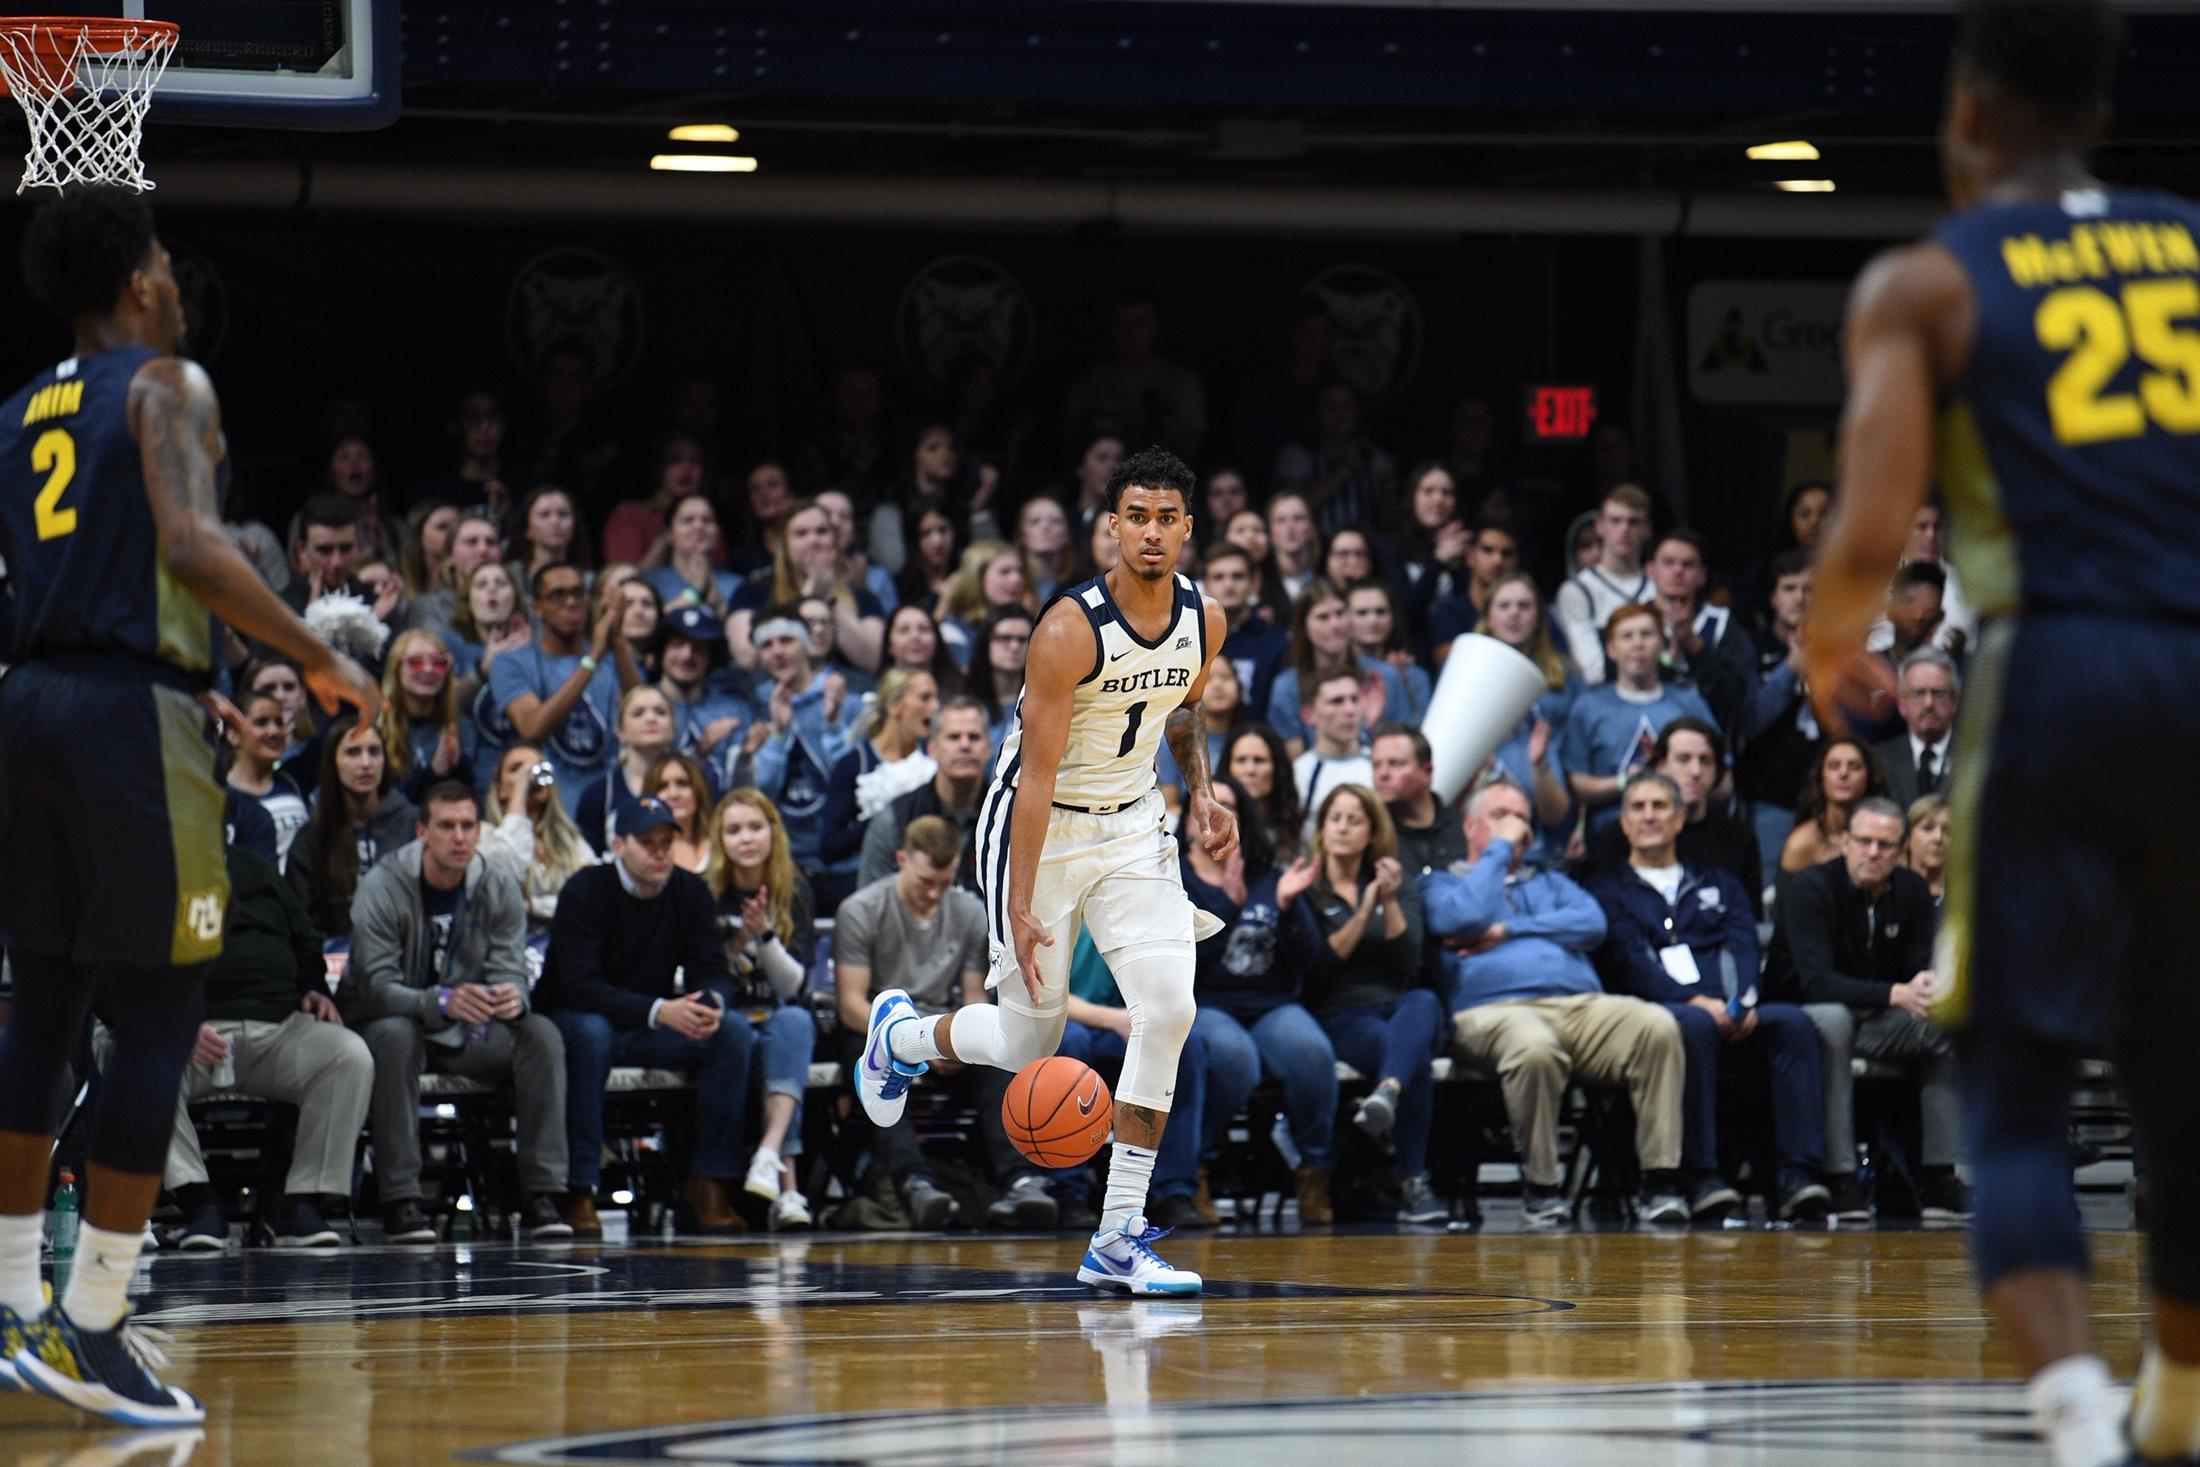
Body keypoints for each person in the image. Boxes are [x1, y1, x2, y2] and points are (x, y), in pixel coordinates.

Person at [0, 185, 380, 1427]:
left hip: (35, 703)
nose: (169, 277)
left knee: (45, 1010)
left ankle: (12, 1300)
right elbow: (192, 551)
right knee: (162, 1013)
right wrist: (318, 658)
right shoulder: (171, 382)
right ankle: (98, 1321)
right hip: (122, 722)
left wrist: (188, 683)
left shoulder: (18, 413)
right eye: (162, 258)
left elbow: (78, 576)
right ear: (138, 283)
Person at [859, 446, 1236, 1295]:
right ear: (1111, 527)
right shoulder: (1069, 628)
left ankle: (1116, 1236)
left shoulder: (1203, 618)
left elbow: (1184, 709)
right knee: (1033, 1035)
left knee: (1170, 1008)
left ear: (1187, 528)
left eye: (1166, 517)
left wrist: (1204, 793)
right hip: (1043, 826)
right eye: (1135, 516)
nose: (1151, 531)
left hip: (1137, 824)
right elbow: (1032, 781)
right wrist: (1022, 902)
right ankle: (901, 1038)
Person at [1423, 781, 1688, 1228]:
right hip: (1492, 1014)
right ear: (1470, 826)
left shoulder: (1550, 881)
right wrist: (1499, 850)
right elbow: (1461, 917)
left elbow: (1591, 923)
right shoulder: (1441, 883)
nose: (1516, 826)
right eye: (1500, 815)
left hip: (1579, 1006)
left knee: (1655, 1025)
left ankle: (1659, 1181)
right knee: (1534, 1046)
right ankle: (1542, 1188)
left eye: (1522, 818)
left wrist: (1505, 932)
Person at [1589, 774, 1830, 1224]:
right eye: (1638, 807)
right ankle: (1702, 1175)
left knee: (1794, 1023)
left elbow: (1742, 942)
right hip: (1661, 1010)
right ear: (1623, 823)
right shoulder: (1608, 891)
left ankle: (1799, 1174)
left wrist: (1742, 1000)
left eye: (1660, 806)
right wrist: (1695, 1001)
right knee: (1692, 1025)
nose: (1649, 816)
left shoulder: (1719, 882)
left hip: (1733, 1005)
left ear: (1680, 818)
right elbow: (1631, 962)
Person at [121, 839, 371, 1253]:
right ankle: (198, 1203)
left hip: (277, 1030)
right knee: (124, 1058)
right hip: (180, 1037)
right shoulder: (138, 872)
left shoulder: (254, 868)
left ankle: (301, 1205)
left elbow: (305, 937)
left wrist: (312, 986)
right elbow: (109, 977)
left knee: (347, 1055)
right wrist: (169, 1022)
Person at [346, 782, 570, 1243]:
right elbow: (375, 989)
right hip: (397, 1025)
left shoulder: (496, 883)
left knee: (540, 1034)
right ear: (422, 831)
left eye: (469, 826)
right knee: (394, 1035)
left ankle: (541, 1196)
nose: (460, 837)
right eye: (447, 826)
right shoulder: (382, 885)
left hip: (467, 1033)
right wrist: (441, 1001)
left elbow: (510, 965)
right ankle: (401, 1200)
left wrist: (512, 995)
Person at [540, 798, 753, 1237]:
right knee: (590, 1034)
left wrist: (710, 1002)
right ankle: (579, 1187)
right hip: (579, 1020)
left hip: (649, 1026)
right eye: (646, 843)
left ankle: (709, 1182)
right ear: (619, 845)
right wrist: (660, 1011)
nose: (659, 852)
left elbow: (711, 966)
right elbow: (580, 986)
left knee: (732, 1031)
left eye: (666, 842)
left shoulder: (690, 890)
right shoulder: (586, 889)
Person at [1761, 799, 1967, 1227]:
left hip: (1876, 1020)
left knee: (1945, 1022)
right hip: (1802, 1018)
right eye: (1865, 842)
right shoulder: (1810, 888)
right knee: (1835, 1018)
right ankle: (1841, 1176)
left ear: (1901, 849)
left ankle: (1938, 1178)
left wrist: (1926, 989)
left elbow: (1916, 969)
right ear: (1844, 842)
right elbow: (1816, 982)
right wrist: (1895, 993)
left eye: (1886, 845)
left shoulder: (1910, 891)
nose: (1874, 853)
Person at [1179, 776, 1334, 1224]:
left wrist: (1287, 910)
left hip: (1272, 1002)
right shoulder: (1175, 876)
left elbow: (1310, 960)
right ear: (1190, 819)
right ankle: (1197, 1166)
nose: (1217, 812)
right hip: (1207, 1002)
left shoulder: (1268, 875)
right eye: (1208, 804)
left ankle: (1314, 1170)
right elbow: (1181, 961)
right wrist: (1228, 907)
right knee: (1234, 1060)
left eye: (1230, 806)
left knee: (1313, 1054)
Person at [832, 818, 1001, 1230]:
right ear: (901, 859)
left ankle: (1020, 1181)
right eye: (925, 880)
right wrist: (917, 1043)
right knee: (868, 1059)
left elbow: (975, 997)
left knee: (997, 1058)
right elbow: (852, 1004)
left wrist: (958, 1042)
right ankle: (915, 1183)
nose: (933, 893)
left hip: (942, 1029)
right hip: (879, 1031)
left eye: (943, 883)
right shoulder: (860, 910)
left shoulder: (969, 910)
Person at [1301, 786, 1446, 1225]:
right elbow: (1316, 969)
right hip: (1341, 1014)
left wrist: (1385, 899)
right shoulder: (1308, 888)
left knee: (1423, 999)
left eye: (1355, 820)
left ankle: (1386, 1092)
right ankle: (1413, 1183)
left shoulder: (1394, 884)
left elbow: (1410, 962)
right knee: (1411, 1058)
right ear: (1323, 829)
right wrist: (1364, 913)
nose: (1344, 828)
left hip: (1398, 1006)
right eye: (1336, 818)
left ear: (1371, 833)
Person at [705, 789, 818, 1232]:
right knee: (756, 1039)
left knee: (792, 1023)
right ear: (720, 840)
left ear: (774, 832)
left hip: (779, 1015)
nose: (745, 839)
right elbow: (708, 977)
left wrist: (766, 938)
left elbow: (795, 988)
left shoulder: (796, 889)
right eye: (733, 830)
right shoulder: (707, 893)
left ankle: (769, 1154)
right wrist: (738, 942)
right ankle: (787, 1187)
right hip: (729, 1019)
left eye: (755, 827)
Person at [494, 562, 642, 818]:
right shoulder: (511, 663)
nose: (570, 602)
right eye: (557, 595)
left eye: (578, 593)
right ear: (537, 608)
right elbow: (532, 727)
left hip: (610, 807)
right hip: (551, 811)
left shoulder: (614, 659)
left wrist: (616, 641)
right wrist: (593, 656)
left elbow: (641, 711)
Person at [1561, 604, 1716, 838]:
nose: (1637, 644)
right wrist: (1626, 782)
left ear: (1663, 644)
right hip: (1608, 833)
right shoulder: (1588, 706)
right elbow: (1577, 784)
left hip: (1682, 832)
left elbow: (1723, 780)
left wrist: (1679, 780)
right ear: (1611, 649)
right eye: (1627, 636)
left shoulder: (1689, 702)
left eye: (1646, 634)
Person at [733, 606, 854, 884]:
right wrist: (778, 735)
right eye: (766, 645)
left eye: (786, 641)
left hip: (845, 862)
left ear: (809, 645)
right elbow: (758, 796)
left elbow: (853, 787)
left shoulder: (847, 702)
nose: (777, 652)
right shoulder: (754, 709)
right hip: (784, 865)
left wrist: (834, 725)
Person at [1588, 717, 1763, 910]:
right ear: (1661, 766)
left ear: (1717, 770)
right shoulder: (1629, 833)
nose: (1696, 771)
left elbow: (1751, 916)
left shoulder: (1738, 837)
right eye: (1684, 759)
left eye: (1705, 761)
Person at [817, 667, 940, 914]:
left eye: (936, 698)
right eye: (925, 698)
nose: (935, 707)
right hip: (862, 890)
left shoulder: (936, 764)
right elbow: (829, 846)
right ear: (895, 706)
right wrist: (886, 817)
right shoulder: (854, 763)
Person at [286, 719, 418, 943]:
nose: (366, 763)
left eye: (374, 752)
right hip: (331, 960)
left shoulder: (410, 824)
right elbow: (301, 921)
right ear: (332, 763)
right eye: (353, 753)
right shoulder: (312, 838)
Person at [1738, 550, 1824, 891]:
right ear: (1773, 597)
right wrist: (1792, 667)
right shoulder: (1751, 647)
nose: (1800, 598)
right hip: (1770, 799)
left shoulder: (1840, 649)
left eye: (1809, 589)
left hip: (1829, 799)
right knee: (1770, 894)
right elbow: (1750, 720)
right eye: (1789, 588)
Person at [860, 696, 993, 891]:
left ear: (988, 748)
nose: (965, 745)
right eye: (953, 737)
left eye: (974, 737)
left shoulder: (1008, 816)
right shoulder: (895, 819)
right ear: (932, 748)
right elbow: (872, 904)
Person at [1266, 579, 1410, 756]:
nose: (1335, 625)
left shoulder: (1386, 676)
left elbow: (1403, 745)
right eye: (1323, 617)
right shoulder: (1287, 688)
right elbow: (1295, 760)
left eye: (1340, 613)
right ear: (1303, 627)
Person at [1644, 529, 1758, 740]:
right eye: (1668, 563)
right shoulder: (1635, 622)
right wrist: (1668, 657)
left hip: (1706, 741)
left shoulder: (1721, 622)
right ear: (1650, 570)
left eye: (1688, 565)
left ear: (1702, 576)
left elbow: (1735, 696)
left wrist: (1693, 643)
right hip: (1649, 734)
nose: (1678, 571)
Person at [478, 743, 593, 951]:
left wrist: (534, 906)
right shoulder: (484, 835)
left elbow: (590, 897)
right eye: (516, 769)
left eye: (538, 767)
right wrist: (520, 794)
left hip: (565, 944)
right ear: (500, 789)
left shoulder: (570, 840)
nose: (529, 774)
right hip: (508, 948)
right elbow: (506, 870)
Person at [1551, 484, 1656, 684]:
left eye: (1633, 522)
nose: (1624, 529)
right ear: (1600, 526)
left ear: (1647, 529)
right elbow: (1592, 672)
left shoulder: (1659, 587)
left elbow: (1673, 661)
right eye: (1615, 521)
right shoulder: (1577, 591)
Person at [572, 684, 678, 857]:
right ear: (620, 731)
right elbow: (587, 861)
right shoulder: (599, 794)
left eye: (660, 712)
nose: (651, 718)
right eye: (638, 713)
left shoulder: (693, 785)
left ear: (674, 728)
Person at [377, 628, 472, 805]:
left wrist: (459, 766)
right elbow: (379, 805)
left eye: (438, 663)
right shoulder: (376, 725)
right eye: (416, 662)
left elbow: (470, 799)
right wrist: (432, 773)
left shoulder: (462, 726)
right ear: (396, 668)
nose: (428, 669)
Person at [1198, 542, 1288, 725]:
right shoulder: (1190, 639)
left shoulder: (1276, 643)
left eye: (1237, 576)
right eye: (1218, 577)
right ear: (1205, 584)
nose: (1229, 585)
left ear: (1254, 583)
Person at [1778, 737, 1889, 880]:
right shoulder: (1801, 844)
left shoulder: (1888, 837)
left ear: (1869, 776)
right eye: (1834, 766)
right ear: (1821, 777)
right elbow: (1786, 901)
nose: (1843, 773)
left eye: (1854, 766)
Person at [657, 604, 756, 763]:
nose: (687, 655)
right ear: (661, 650)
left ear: (711, 657)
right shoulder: (641, 707)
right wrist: (700, 751)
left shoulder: (736, 711)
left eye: (698, 647)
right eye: (677, 644)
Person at [224, 690, 313, 867]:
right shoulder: (222, 796)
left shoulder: (292, 781)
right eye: (261, 722)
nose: (274, 731)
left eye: (279, 723)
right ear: (233, 734)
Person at [1371, 725, 1467, 877]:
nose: (1382, 774)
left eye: (1395, 764)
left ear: (1427, 772)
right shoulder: (1371, 836)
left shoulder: (1465, 828)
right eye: (1376, 765)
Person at [1424, 520, 1522, 667]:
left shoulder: (1530, 612)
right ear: (1470, 556)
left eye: (1506, 554)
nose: (1498, 560)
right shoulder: (1447, 611)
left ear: (1515, 561)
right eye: (1488, 550)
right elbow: (1450, 666)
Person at [1872, 649, 1961, 808]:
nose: (1929, 704)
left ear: (1954, 702)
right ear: (1901, 704)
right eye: (1919, 693)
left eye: (1938, 693)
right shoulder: (1878, 760)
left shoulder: (1976, 757)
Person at [1292, 672, 1374, 840]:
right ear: (1309, 714)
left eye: (1355, 700)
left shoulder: (1380, 765)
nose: (1349, 710)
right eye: (1337, 701)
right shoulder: (1298, 773)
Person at [644, 490, 741, 619]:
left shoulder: (737, 585)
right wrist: (694, 593)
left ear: (718, 532)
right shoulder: (650, 583)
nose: (699, 525)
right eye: (688, 520)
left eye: (707, 520)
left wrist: (719, 605)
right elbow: (646, 626)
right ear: (669, 535)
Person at [1345, 579, 1432, 725]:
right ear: (1345, 618)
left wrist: (1404, 682)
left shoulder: (1415, 676)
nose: (1373, 620)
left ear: (1392, 617)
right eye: (1362, 613)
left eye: (1381, 612)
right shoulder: (1335, 670)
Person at [1224, 724, 1305, 863]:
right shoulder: (1214, 827)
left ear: (1277, 768)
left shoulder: (1297, 827)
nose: (1250, 770)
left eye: (1259, 760)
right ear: (1228, 767)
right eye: (1241, 760)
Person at [970, 605, 1033, 752]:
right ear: (986, 644)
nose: (1014, 646)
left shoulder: (1043, 703)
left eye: (1022, 639)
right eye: (1005, 638)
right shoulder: (964, 703)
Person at [644, 749, 717, 875]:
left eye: (682, 784)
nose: (673, 794)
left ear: (698, 790)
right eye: (663, 786)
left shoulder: (721, 843)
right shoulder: (641, 853)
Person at [1904, 793, 1949, 904]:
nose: (1938, 837)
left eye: (1947, 830)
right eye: (1928, 828)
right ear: (1908, 837)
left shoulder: (1969, 896)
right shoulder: (1892, 891)